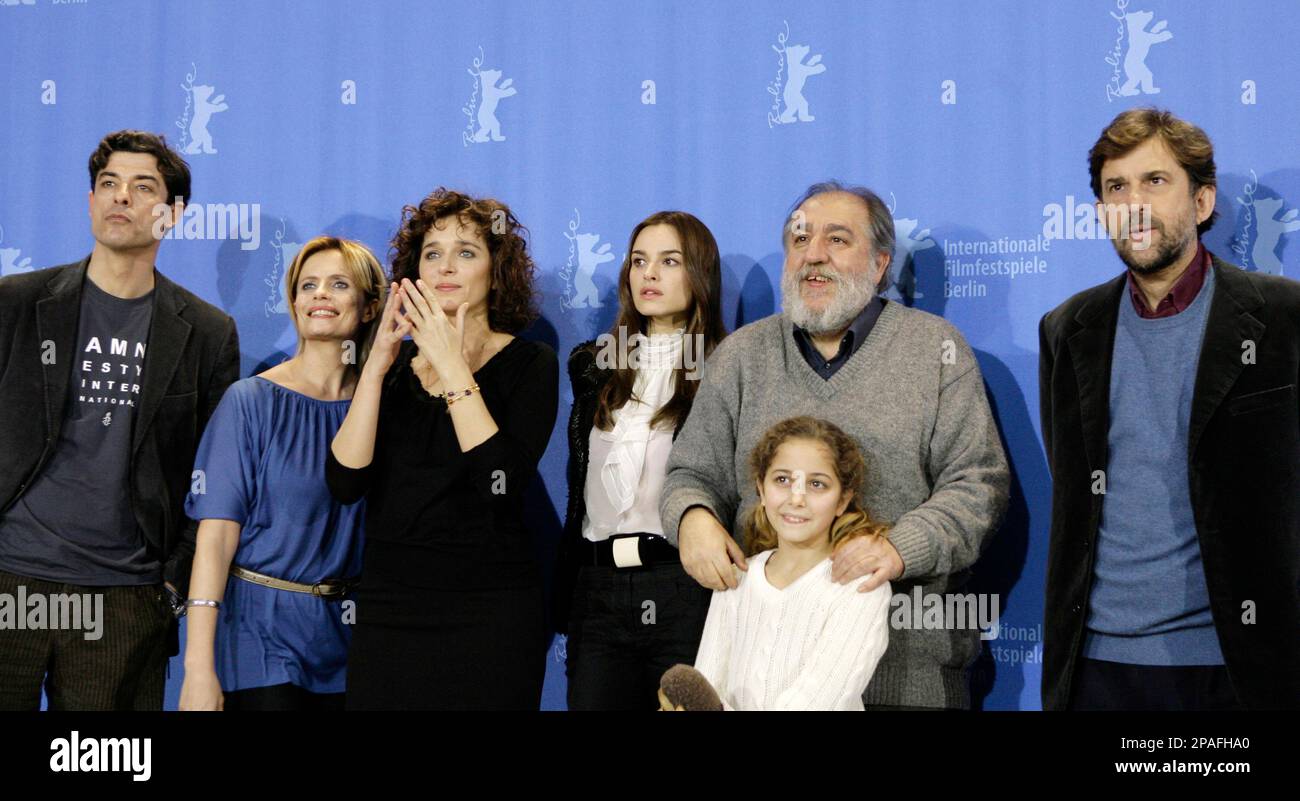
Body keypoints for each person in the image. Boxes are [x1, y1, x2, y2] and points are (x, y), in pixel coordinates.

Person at [660, 180, 1009, 710]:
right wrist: (691, 518)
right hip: (760, 685)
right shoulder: (741, 356)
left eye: (838, 240)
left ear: (880, 263)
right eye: (800, 240)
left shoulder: (935, 349)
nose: (813, 255)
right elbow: (689, 474)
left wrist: (898, 548)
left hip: (907, 678)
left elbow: (979, 485)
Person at [1039, 108, 1300, 711]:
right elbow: (1074, 486)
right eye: (1115, 187)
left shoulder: (1284, 320)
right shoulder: (1067, 328)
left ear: (1203, 202)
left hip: (1238, 664)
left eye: (1155, 181)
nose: (1133, 202)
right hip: (1096, 666)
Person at [0, 130, 239, 710]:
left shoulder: (207, 332)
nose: (120, 199)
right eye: (108, 185)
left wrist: (171, 581)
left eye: (141, 188)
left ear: (173, 214)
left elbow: (213, 475)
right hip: (10, 577)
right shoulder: (16, 303)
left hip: (124, 596)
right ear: (90, 201)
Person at [326, 188, 558, 710]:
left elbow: (497, 481)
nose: (445, 266)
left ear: (495, 271)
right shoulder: (389, 368)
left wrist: (451, 364)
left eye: (466, 252)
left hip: (489, 611)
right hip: (390, 608)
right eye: (432, 253)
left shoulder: (530, 363)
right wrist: (379, 363)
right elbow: (345, 483)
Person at [179, 237, 385, 711]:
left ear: (370, 306)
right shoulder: (250, 402)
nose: (319, 295)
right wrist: (197, 667)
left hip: (352, 639)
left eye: (338, 284)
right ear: (293, 302)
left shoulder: (382, 406)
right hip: (259, 636)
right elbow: (214, 541)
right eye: (307, 285)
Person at [556, 211, 727, 710]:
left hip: (685, 586)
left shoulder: (727, 365)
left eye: (669, 261)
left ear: (699, 273)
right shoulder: (593, 363)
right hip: (597, 588)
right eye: (638, 261)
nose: (648, 274)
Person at [690, 416, 892, 710]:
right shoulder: (736, 578)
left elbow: (821, 698)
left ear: (842, 500)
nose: (797, 499)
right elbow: (705, 688)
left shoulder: (860, 587)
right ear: (761, 488)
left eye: (817, 484)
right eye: (782, 480)